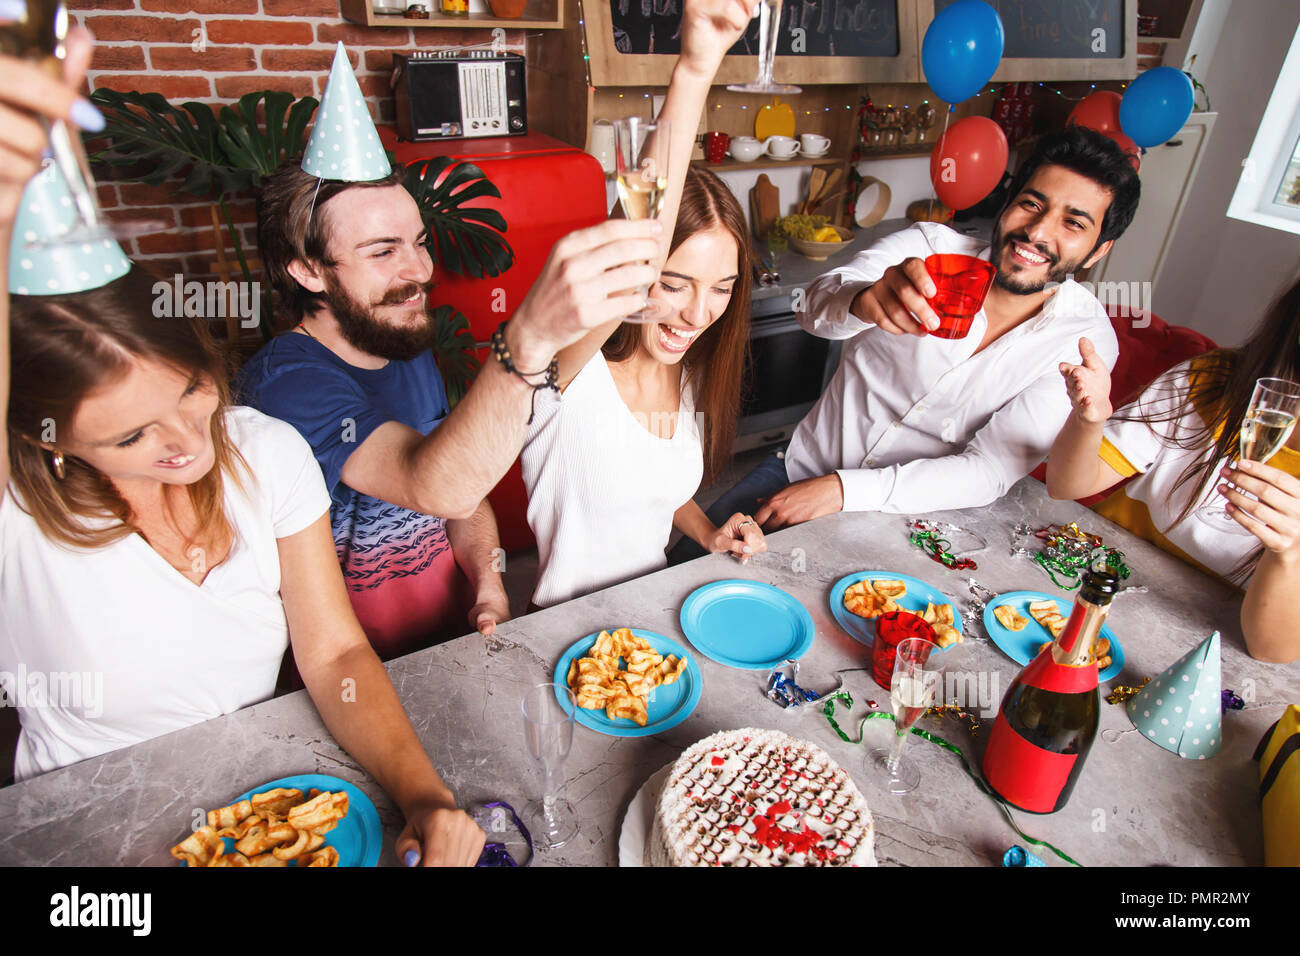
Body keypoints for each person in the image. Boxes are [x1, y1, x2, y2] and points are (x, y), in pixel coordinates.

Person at [0, 32, 483, 864]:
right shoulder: (16, 514)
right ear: (47, 440)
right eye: (131, 434)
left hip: (265, 806)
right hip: (85, 836)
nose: (191, 444)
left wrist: (424, 796)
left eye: (194, 393)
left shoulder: (266, 451)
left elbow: (332, 651)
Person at [680, 125, 1142, 550]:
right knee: (682, 567)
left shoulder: (1082, 340)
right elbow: (810, 308)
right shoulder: (927, 248)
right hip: (795, 470)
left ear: (1099, 249)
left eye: (1073, 223)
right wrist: (860, 301)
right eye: (1031, 203)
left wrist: (843, 490)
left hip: (909, 522)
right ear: (1009, 202)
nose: (1038, 231)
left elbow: (989, 470)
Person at [523, 165, 766, 607]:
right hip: (561, 628)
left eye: (721, 289)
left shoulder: (688, 371)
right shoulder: (568, 371)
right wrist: (689, 92)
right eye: (673, 285)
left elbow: (656, 489)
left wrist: (709, 533)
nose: (697, 315)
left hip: (651, 617)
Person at [1047, 273, 1300, 664]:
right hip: (1084, 576)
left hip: (1192, 646)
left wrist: (1289, 553)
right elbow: (1066, 484)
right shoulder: (1213, 381)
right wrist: (1089, 421)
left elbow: (1269, 650)